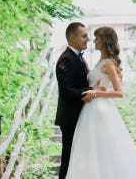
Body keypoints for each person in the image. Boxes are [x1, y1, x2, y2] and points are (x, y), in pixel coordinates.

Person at [65, 26, 136, 178]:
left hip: (101, 110)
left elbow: (119, 92)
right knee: (92, 149)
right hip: (90, 110)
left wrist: (95, 92)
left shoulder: (110, 64)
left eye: (97, 38)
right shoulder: (100, 61)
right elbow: (97, 79)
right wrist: (87, 69)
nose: (94, 41)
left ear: (105, 41)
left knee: (104, 148)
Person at [55, 22, 95, 179]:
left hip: (81, 115)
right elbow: (66, 90)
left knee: (79, 157)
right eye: (84, 36)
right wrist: (90, 90)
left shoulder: (77, 58)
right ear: (72, 38)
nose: (88, 39)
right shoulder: (66, 59)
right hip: (70, 117)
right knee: (69, 156)